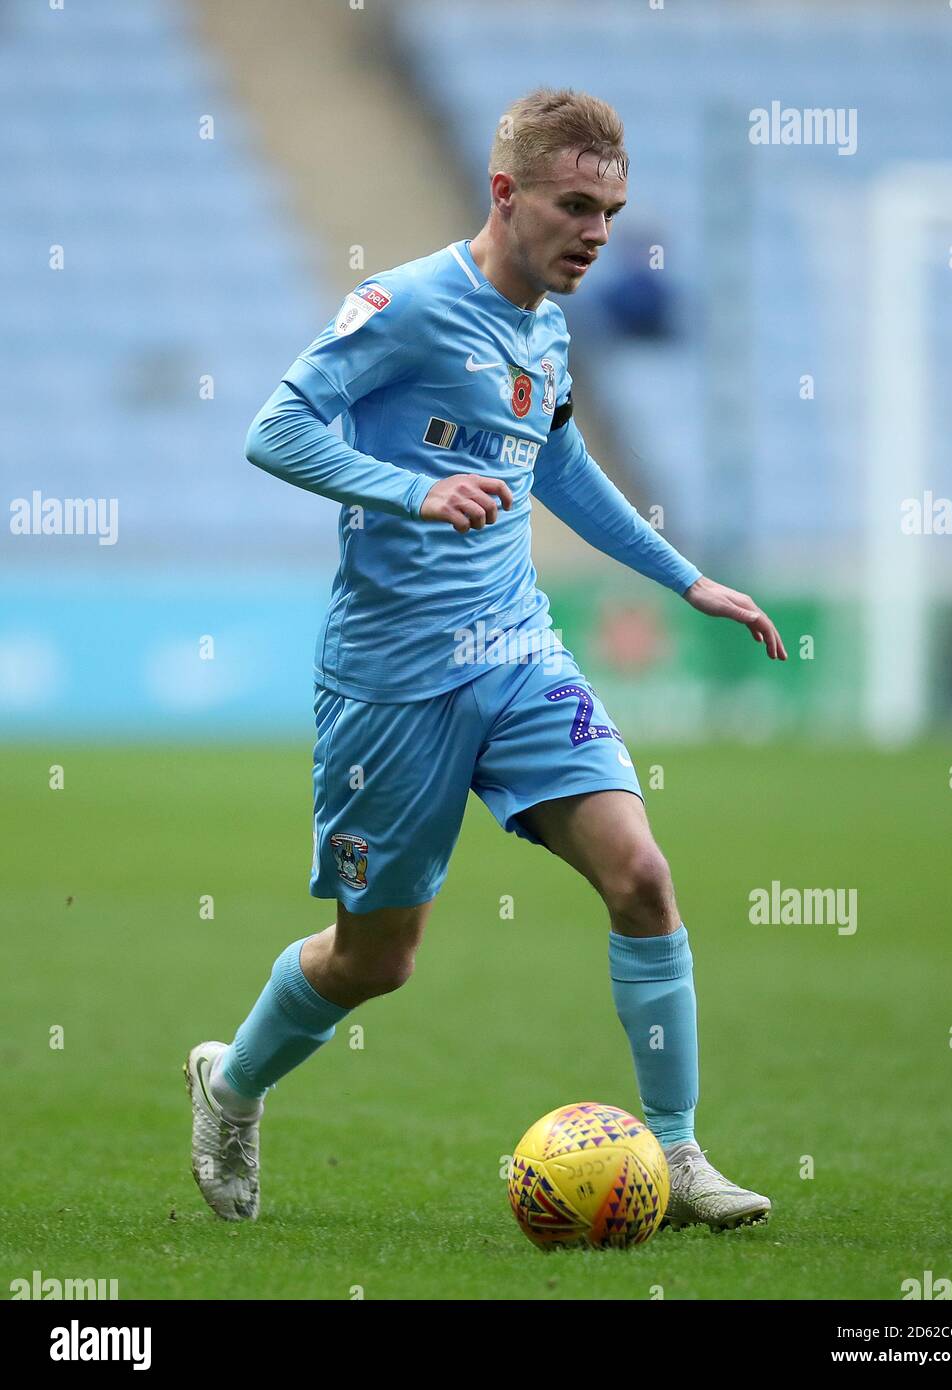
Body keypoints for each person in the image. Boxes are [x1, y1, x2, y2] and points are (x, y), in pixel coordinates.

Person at [185, 88, 786, 1231]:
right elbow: (275, 428)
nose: (595, 234)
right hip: (390, 681)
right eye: (574, 206)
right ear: (505, 194)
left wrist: (682, 576)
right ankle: (232, 1082)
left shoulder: (550, 329)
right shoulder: (405, 306)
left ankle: (673, 1151)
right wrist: (413, 487)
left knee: (642, 877)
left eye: (610, 211)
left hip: (515, 653)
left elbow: (556, 469)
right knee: (376, 960)